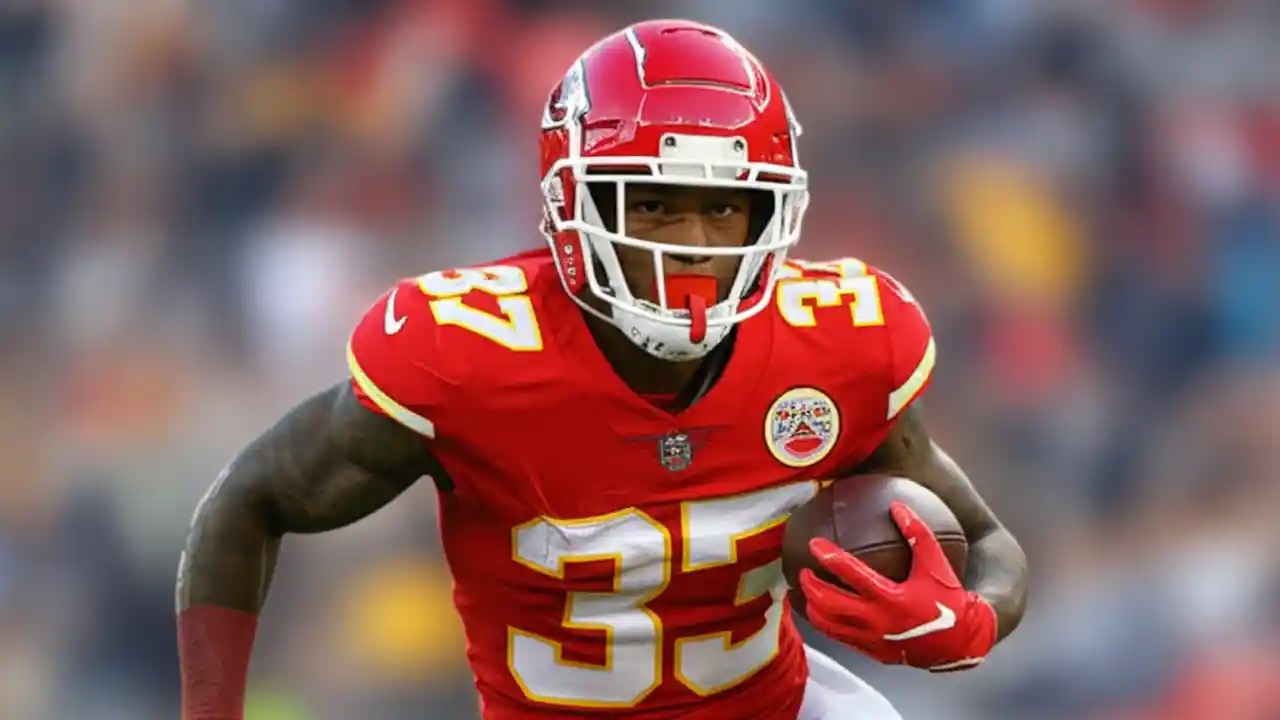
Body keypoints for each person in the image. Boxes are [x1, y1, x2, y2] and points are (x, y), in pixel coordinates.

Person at [176, 19, 1028, 720]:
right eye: (652, 204)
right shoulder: (471, 358)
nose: (691, 245)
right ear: (571, 201)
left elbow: (989, 542)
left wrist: (971, 620)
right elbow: (250, 499)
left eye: (724, 208)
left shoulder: (840, 342)